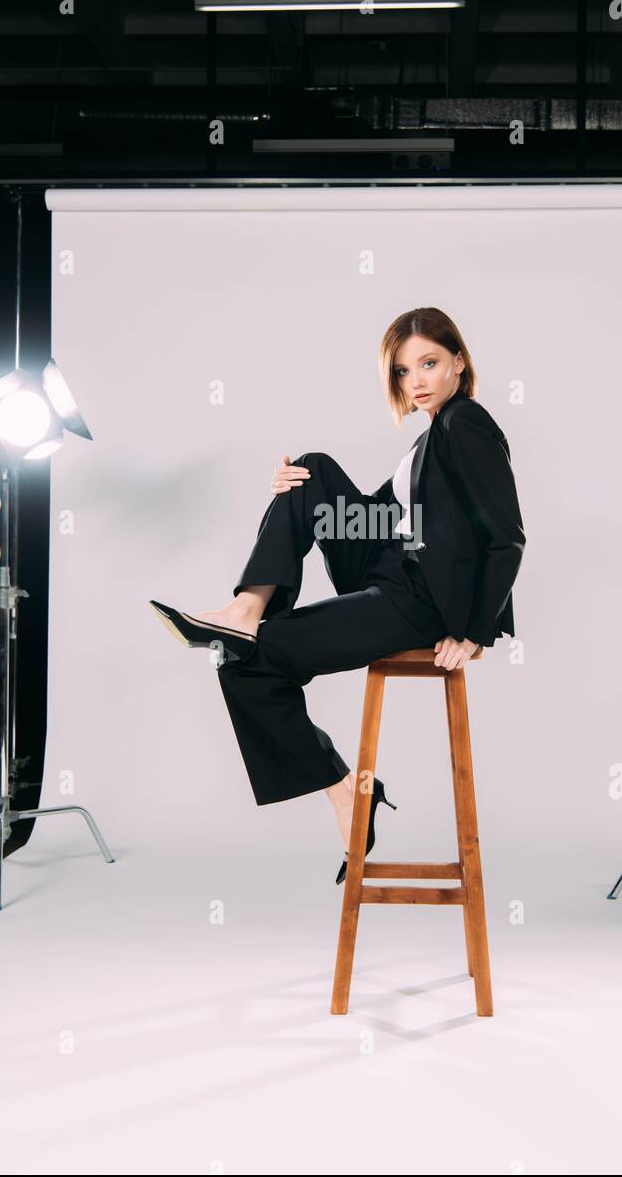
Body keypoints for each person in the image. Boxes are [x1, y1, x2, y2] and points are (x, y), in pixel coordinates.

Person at [150, 306, 525, 882]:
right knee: (313, 468)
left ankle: (344, 791)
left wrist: (474, 632)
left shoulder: (465, 424)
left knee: (248, 662)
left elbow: (507, 537)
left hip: (417, 601)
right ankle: (245, 609)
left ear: (459, 362)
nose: (417, 380)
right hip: (388, 566)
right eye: (403, 371)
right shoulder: (431, 439)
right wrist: (295, 491)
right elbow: (374, 517)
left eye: (429, 363)